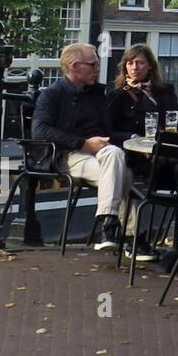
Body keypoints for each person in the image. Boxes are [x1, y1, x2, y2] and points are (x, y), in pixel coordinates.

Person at [32, 44, 136, 251]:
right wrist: (83, 144)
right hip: (68, 155)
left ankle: (109, 224)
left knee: (116, 159)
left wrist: (134, 138)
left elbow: (108, 133)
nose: (98, 68)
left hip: (102, 154)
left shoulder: (98, 94)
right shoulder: (52, 95)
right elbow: (40, 130)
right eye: (93, 64)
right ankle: (132, 237)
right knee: (122, 172)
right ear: (75, 66)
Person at [106, 43, 178, 139]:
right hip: (133, 147)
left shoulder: (165, 90)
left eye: (140, 63)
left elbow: (176, 122)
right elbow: (107, 129)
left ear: (150, 66)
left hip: (163, 145)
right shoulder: (118, 95)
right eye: (130, 63)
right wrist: (131, 137)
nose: (134, 67)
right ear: (125, 67)